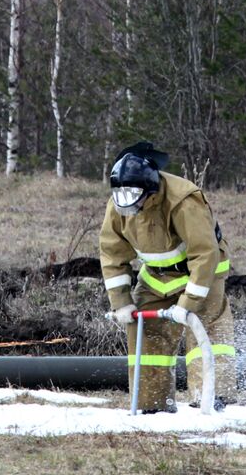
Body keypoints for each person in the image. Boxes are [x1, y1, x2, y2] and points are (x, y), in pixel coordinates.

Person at [99, 141, 236, 412]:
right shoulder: (120, 202)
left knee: (204, 330)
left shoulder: (184, 201)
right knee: (147, 332)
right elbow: (112, 255)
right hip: (156, 277)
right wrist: (121, 302)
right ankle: (153, 404)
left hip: (200, 273)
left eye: (134, 199)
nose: (128, 207)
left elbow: (204, 254)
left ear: (151, 191)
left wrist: (188, 305)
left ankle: (212, 399)